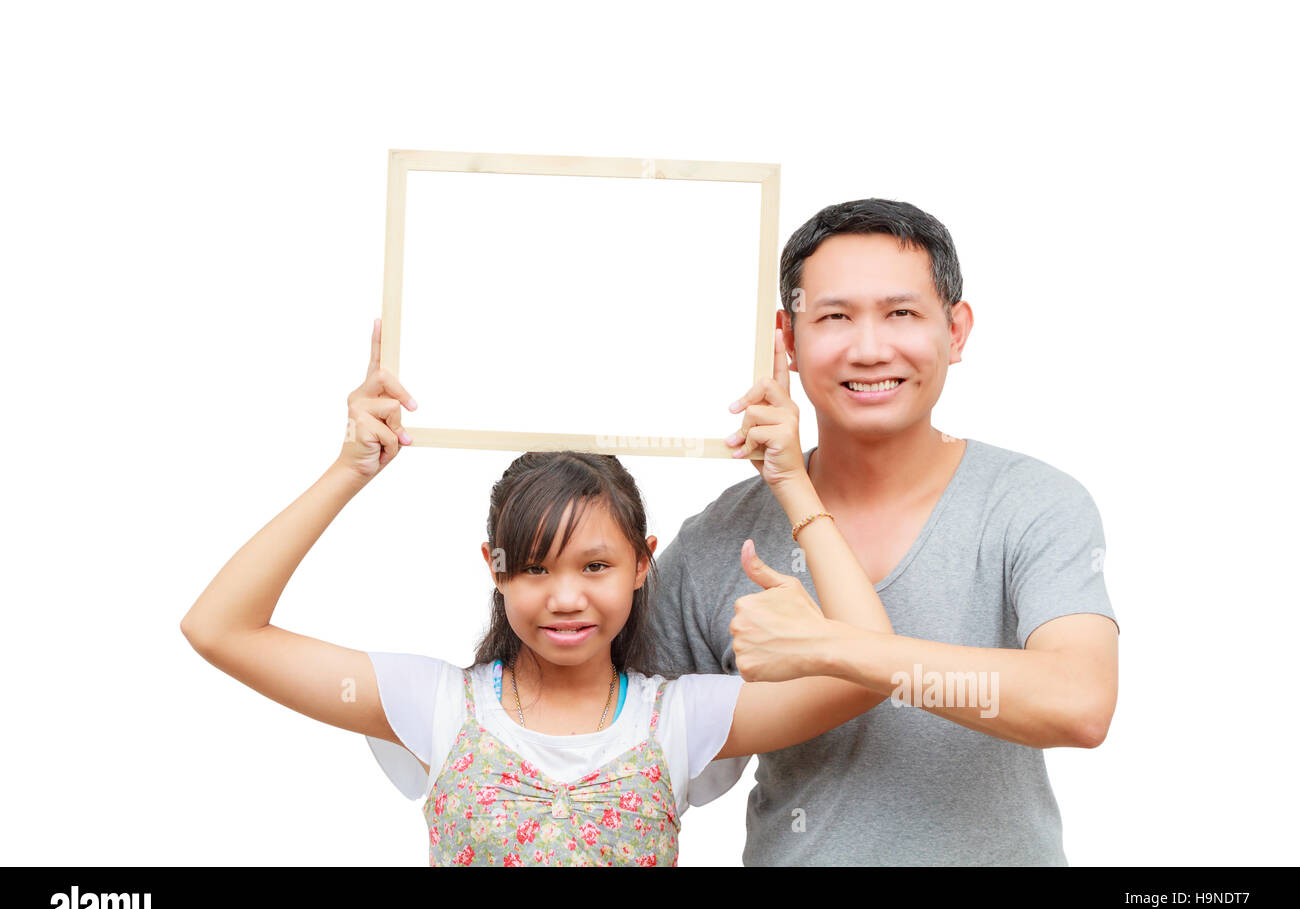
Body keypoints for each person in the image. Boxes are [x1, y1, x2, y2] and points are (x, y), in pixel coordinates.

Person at [179, 317, 899, 866]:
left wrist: (792, 484)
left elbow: (872, 672)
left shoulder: (679, 717)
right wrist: (350, 469)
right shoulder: (434, 705)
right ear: (494, 568)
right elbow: (220, 628)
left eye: (594, 567)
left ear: (643, 564)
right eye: (533, 568)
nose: (564, 597)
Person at [649, 198, 1121, 866]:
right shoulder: (719, 539)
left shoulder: (1031, 503)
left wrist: (832, 649)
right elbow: (616, 738)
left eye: (901, 313)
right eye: (835, 317)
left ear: (956, 331)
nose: (869, 350)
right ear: (787, 336)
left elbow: (1079, 703)